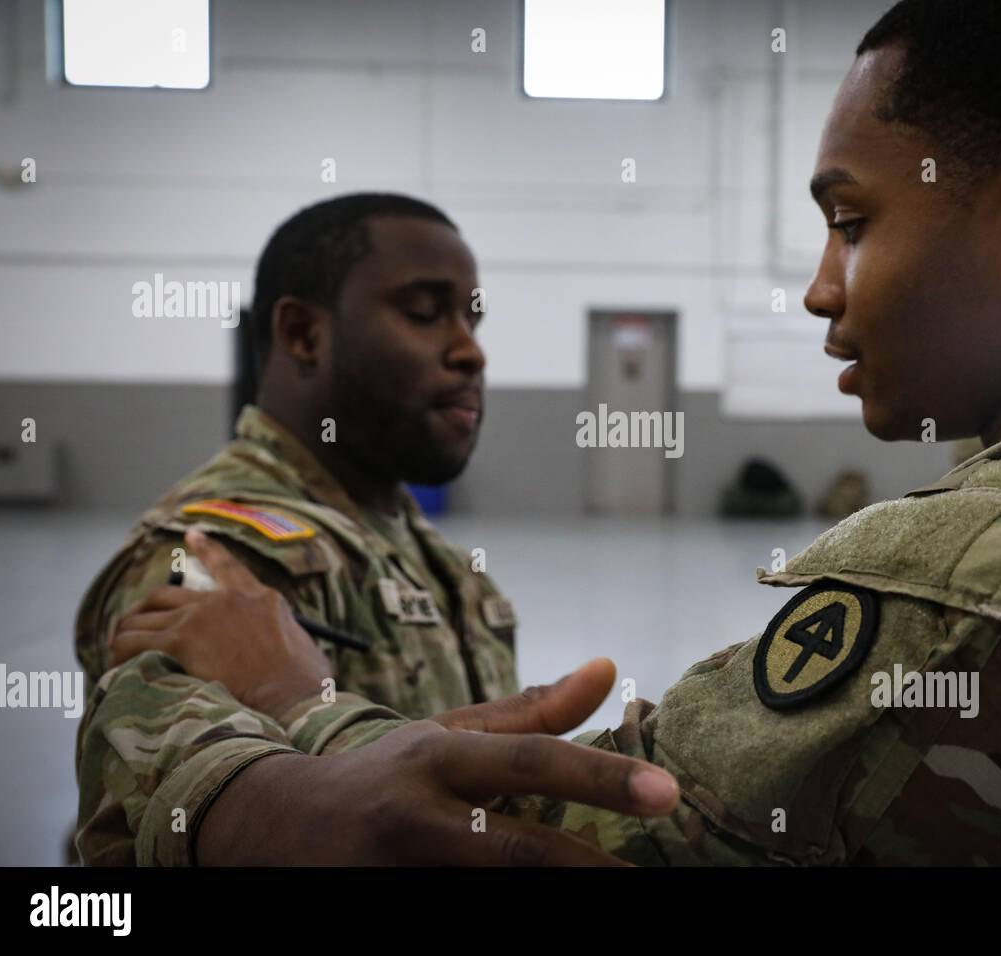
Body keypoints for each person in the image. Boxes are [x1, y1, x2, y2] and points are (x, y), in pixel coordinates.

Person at [111, 0, 1001, 865]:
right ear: (300, 334)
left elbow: (618, 841)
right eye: (426, 314)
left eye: (851, 222)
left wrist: (300, 711)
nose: (821, 289)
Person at [74, 194, 680, 866]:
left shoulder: (429, 552)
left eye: (472, 319)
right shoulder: (214, 559)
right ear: (304, 333)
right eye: (424, 314)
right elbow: (148, 812)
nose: (470, 351)